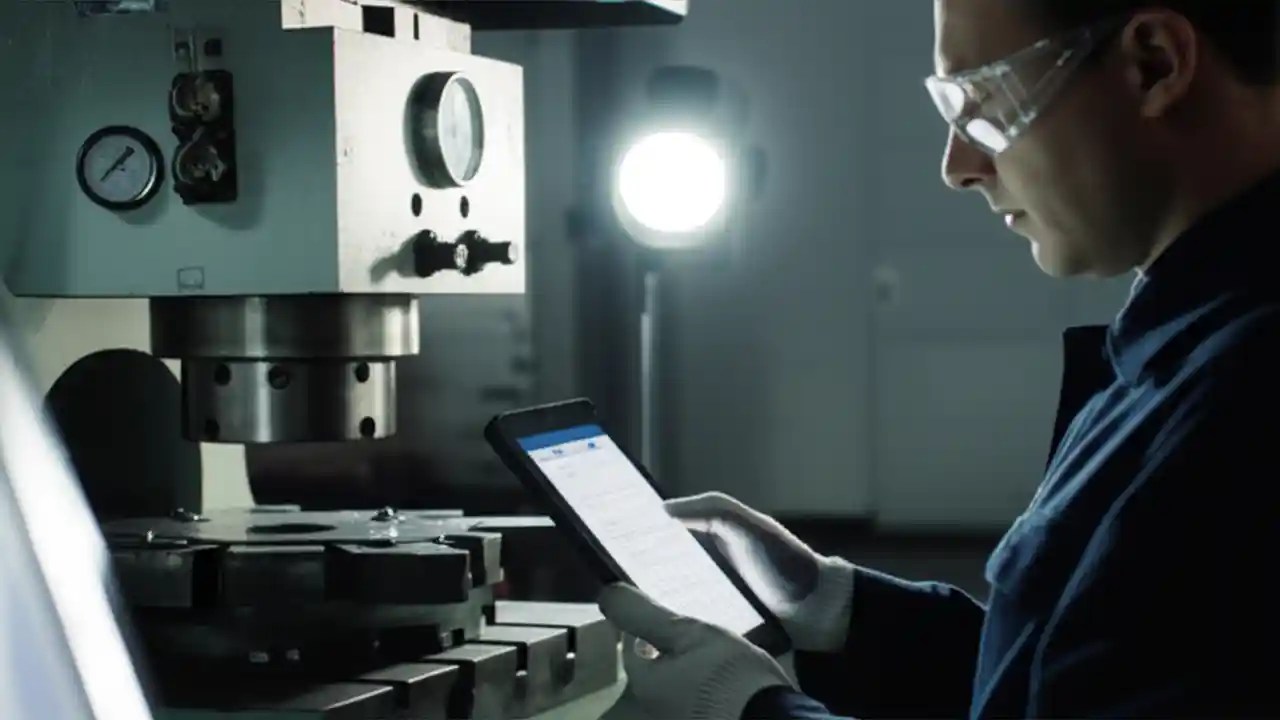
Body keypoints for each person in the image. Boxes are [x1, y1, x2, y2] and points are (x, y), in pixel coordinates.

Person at [596, 0, 1280, 717]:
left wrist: (751, 710)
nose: (959, 166)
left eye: (984, 101)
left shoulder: (1249, 396)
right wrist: (832, 602)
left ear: (1155, 63)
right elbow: (1071, 676)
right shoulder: (1190, 348)